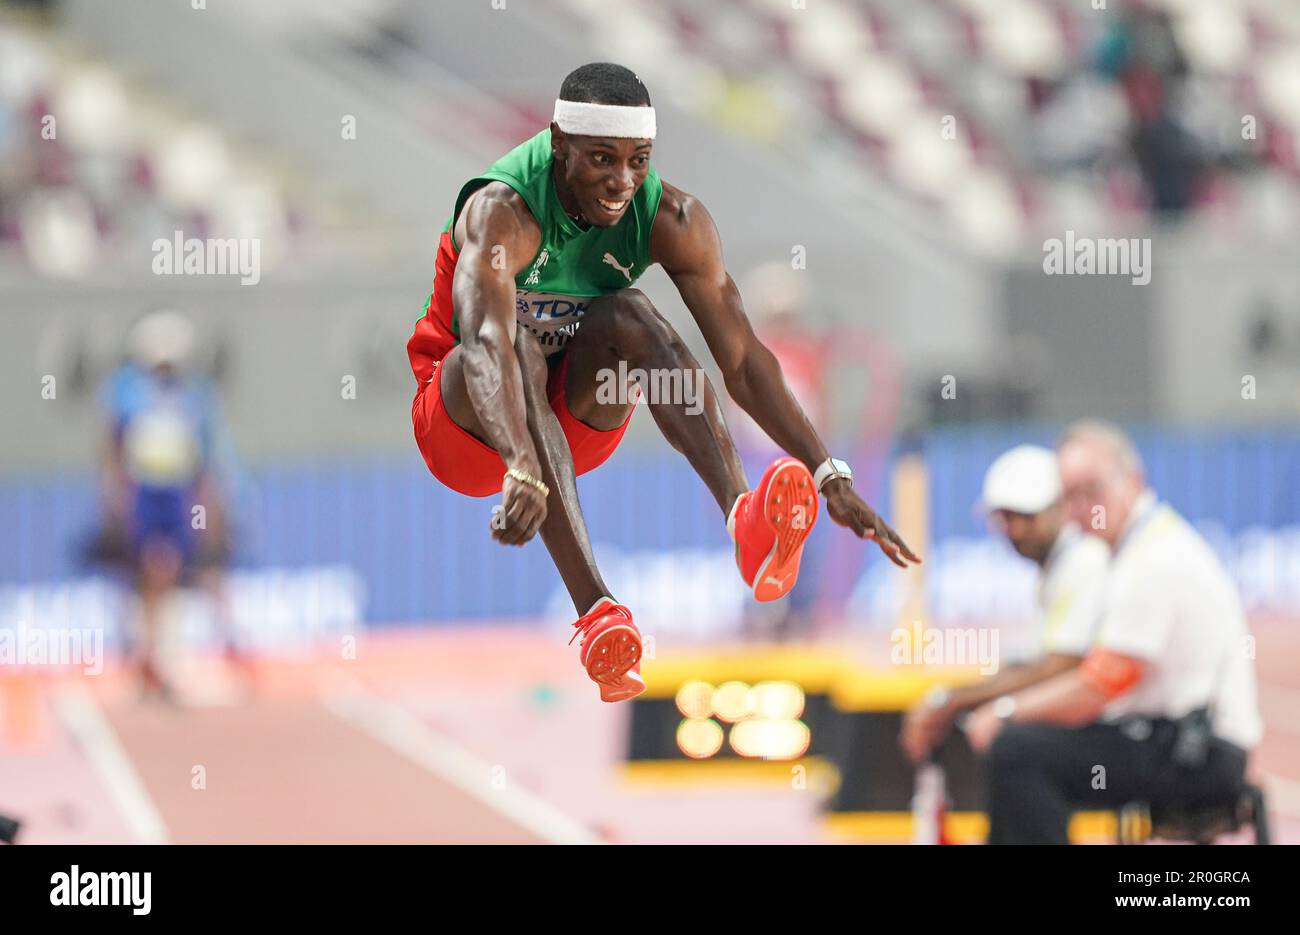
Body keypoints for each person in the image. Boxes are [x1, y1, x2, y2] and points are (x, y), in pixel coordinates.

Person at [406, 62, 919, 702]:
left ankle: (745, 520)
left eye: (637, 161)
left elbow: (743, 358)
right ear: (559, 146)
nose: (621, 184)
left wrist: (826, 472)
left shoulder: (671, 216)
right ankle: (598, 612)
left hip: (578, 420)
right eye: (601, 160)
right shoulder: (502, 211)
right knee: (516, 342)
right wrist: (517, 463)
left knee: (634, 312)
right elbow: (482, 345)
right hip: (468, 427)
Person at [964, 421, 1263, 844]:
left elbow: (1103, 684)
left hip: (1199, 753)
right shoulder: (1128, 551)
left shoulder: (1152, 559)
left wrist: (1008, 710)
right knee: (1023, 745)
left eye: (1092, 491)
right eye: (1070, 497)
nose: (1082, 508)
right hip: (1170, 736)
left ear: (1133, 481)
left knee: (1018, 750)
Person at [900, 445, 1108, 764]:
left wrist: (953, 701)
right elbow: (1040, 665)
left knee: (1011, 746)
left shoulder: (1082, 562)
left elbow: (1060, 667)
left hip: (1123, 730)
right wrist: (951, 698)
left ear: (1061, 508)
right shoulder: (1060, 565)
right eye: (1006, 517)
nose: (1016, 530)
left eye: (1027, 516)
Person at [99, 309, 240, 698]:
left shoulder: (192, 396)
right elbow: (114, 449)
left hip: (177, 496)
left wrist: (209, 507)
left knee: (176, 571)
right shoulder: (127, 393)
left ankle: (167, 659)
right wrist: (116, 498)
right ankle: (148, 659)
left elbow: (203, 459)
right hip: (145, 494)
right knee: (148, 576)